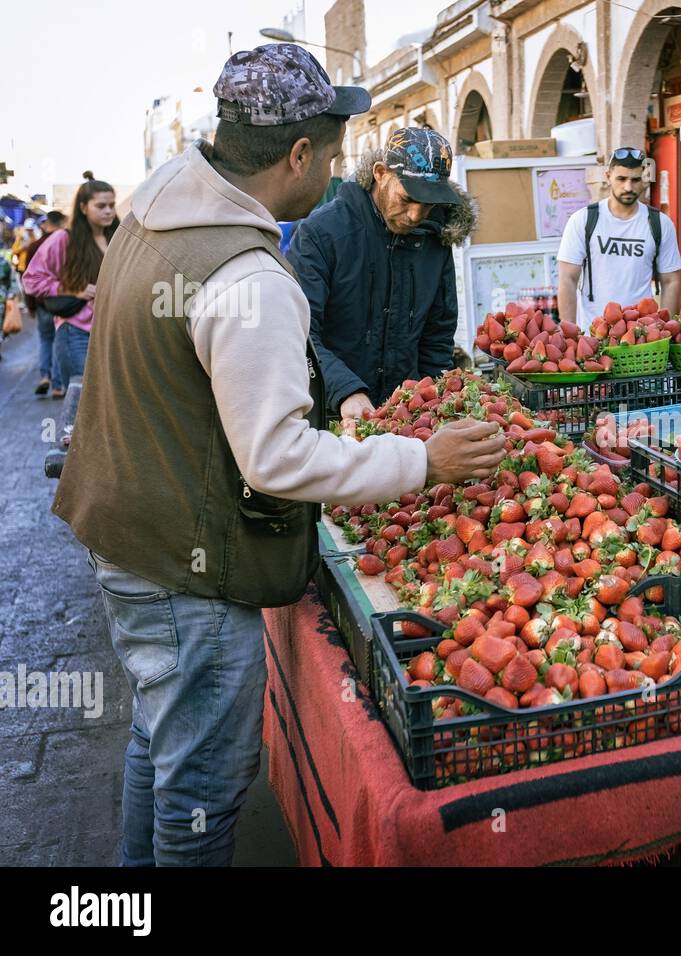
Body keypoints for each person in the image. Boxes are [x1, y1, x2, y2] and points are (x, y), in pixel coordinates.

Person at [52, 43, 506, 867]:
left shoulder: (162, 203)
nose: (336, 171)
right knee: (204, 790)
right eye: (331, 155)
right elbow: (278, 459)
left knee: (159, 740)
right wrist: (423, 462)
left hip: (124, 530)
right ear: (298, 155)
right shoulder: (250, 275)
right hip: (185, 572)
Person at [289, 127, 475, 421]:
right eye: (406, 199)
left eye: (427, 204)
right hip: (332, 415)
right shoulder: (321, 234)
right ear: (380, 173)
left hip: (409, 419)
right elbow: (298, 331)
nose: (416, 215)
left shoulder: (434, 240)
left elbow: (437, 337)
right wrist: (346, 390)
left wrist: (432, 405)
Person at [557, 147, 681, 331]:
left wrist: (664, 332)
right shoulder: (583, 220)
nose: (628, 187)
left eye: (635, 179)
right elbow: (567, 278)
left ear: (644, 179)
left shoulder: (660, 223)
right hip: (593, 335)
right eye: (621, 179)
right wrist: (570, 335)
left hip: (642, 335)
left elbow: (671, 281)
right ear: (608, 177)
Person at [23, 176, 118, 398]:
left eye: (112, 205)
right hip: (77, 333)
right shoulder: (63, 239)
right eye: (101, 206)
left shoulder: (119, 238)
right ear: (84, 207)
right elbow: (31, 280)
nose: (108, 211)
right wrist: (71, 290)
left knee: (111, 406)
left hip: (114, 332)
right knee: (83, 406)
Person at [23, 210, 68, 394]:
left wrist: (30, 306)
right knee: (58, 340)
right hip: (63, 302)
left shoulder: (34, 246)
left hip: (42, 302)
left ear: (46, 224)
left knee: (45, 340)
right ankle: (57, 385)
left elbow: (28, 277)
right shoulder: (67, 242)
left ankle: (44, 376)